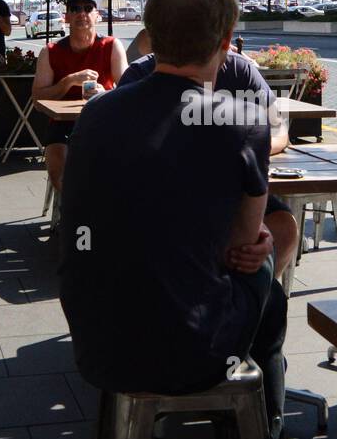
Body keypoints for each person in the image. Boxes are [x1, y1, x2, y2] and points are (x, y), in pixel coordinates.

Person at [59, 0, 288, 439]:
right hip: (188, 350)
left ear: (151, 34)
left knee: (212, 288)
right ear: (227, 36)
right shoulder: (239, 118)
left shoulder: (95, 115)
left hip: (97, 344)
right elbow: (245, 247)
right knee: (266, 300)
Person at [118, 30, 299, 279]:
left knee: (283, 226)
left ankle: (254, 300)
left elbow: (278, 129)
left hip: (231, 189)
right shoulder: (139, 75)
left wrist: (249, 148)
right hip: (164, 194)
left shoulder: (240, 71)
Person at [31, 0, 128, 192]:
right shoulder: (51, 51)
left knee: (118, 169)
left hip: (103, 121)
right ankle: (73, 215)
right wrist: (68, 81)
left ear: (97, 15)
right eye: (75, 9)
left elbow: (129, 91)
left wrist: (105, 93)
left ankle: (102, 215)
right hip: (62, 125)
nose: (81, 13)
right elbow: (37, 98)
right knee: (60, 171)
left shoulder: (111, 46)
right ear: (66, 17)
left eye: (87, 8)